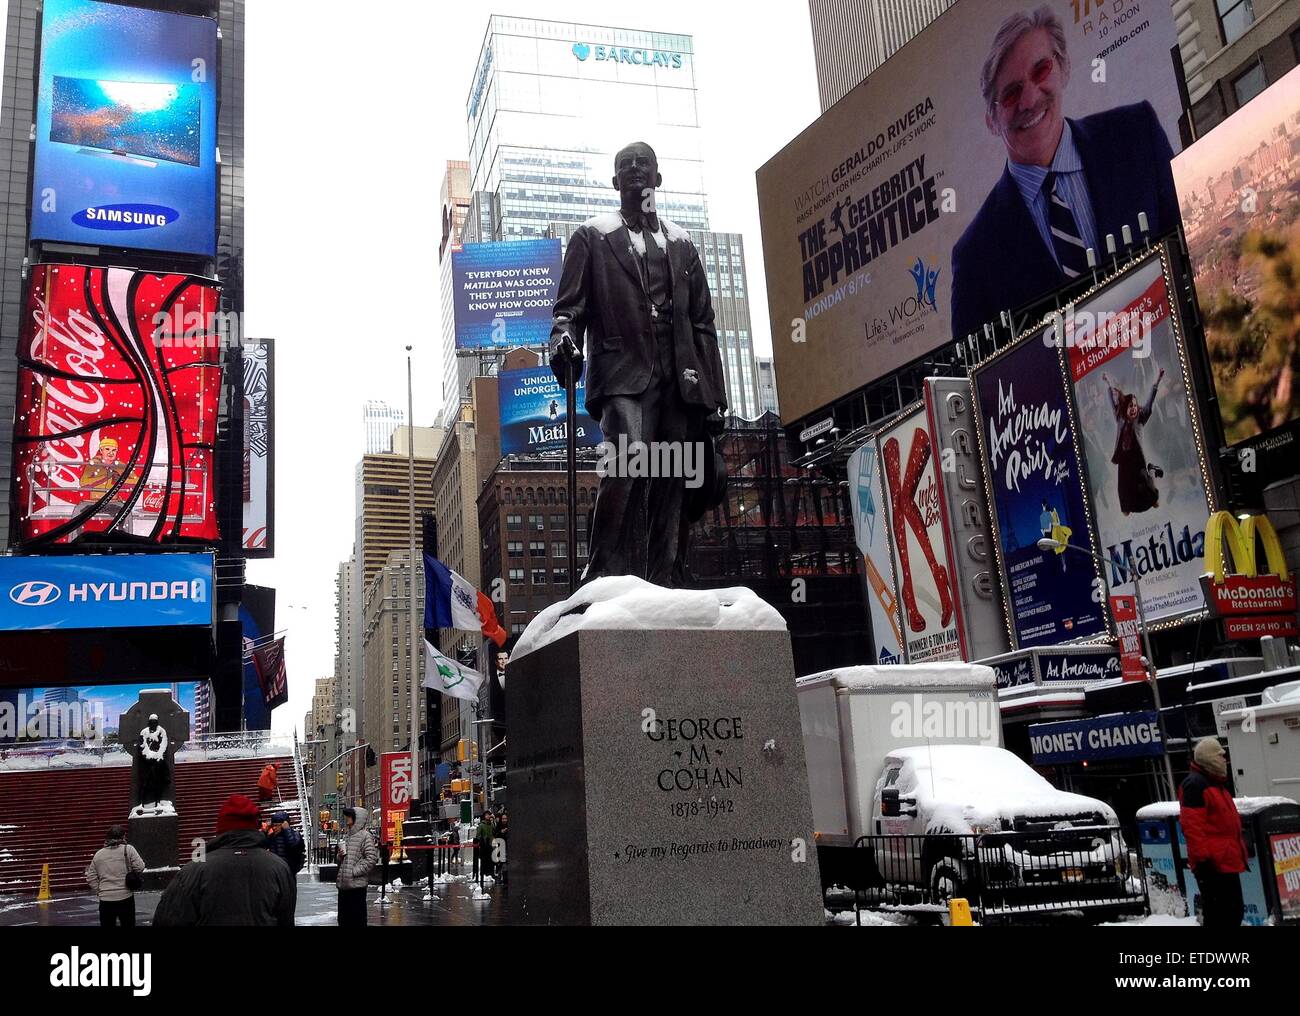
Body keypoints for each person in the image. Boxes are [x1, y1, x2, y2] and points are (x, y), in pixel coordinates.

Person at [549, 141, 727, 587]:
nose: (632, 170)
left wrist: (713, 395)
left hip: (678, 380)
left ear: (657, 179)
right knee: (626, 462)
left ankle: (664, 576)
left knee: (672, 478)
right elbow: (569, 310)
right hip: (622, 375)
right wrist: (563, 342)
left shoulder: (683, 245)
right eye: (624, 166)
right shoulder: (591, 237)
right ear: (614, 183)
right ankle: (602, 568)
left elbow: (703, 322)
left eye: (641, 164)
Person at [950, 5, 1180, 341]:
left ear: (1063, 67)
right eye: (1011, 93)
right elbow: (982, 383)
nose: (1029, 99)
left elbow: (1189, 247)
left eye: (1040, 70)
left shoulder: (1136, 135)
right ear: (991, 120)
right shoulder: (974, 257)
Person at [152, 794, 296, 926]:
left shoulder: (194, 870)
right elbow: (286, 920)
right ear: (254, 827)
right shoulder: (279, 868)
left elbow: (167, 919)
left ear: (221, 828)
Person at [1179, 738, 1248, 928]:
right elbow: (1192, 827)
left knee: (1232, 912)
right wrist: (1203, 862)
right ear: (1209, 758)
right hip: (1213, 865)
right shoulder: (1196, 784)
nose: (1224, 759)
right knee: (1222, 915)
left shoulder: (1215, 783)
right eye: (1220, 755)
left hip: (1225, 860)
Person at [1106, 369, 1165, 515]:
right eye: (1129, 406)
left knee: (1144, 483)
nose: (1133, 409)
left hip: (1137, 459)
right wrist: (1108, 384)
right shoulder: (1120, 420)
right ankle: (1126, 508)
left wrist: (1157, 382)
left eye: (1134, 405)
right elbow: (1113, 403)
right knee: (1123, 487)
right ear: (1125, 409)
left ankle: (1153, 499)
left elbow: (1149, 404)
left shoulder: (1140, 419)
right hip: (1124, 461)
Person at [85, 825, 146, 928]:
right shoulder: (128, 849)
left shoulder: (99, 854)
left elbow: (91, 877)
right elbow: (140, 867)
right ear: (123, 836)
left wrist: (100, 890)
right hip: (125, 896)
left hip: (106, 900)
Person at [336, 806, 379, 927]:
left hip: (357, 887)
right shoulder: (347, 836)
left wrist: (353, 871)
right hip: (343, 887)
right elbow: (342, 861)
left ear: (357, 818)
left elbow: (371, 859)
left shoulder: (365, 836)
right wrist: (339, 857)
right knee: (343, 920)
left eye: (349, 816)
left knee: (356, 920)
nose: (347, 818)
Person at [267, 811, 306, 876]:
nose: (274, 828)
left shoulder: (295, 835)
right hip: (275, 871)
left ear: (284, 824)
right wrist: (265, 832)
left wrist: (287, 830)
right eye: (273, 825)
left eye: (277, 825)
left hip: (289, 871)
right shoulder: (271, 837)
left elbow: (294, 846)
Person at [474, 811, 496, 882]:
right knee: (484, 860)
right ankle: (484, 873)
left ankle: (491, 873)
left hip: (490, 845)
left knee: (491, 860)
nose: (488, 816)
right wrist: (482, 839)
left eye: (489, 815)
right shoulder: (481, 825)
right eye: (486, 815)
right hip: (484, 846)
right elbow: (478, 835)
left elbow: (494, 831)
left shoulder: (491, 824)